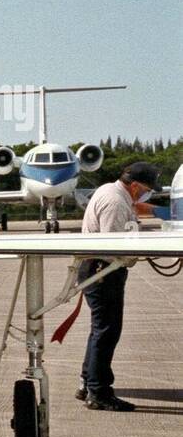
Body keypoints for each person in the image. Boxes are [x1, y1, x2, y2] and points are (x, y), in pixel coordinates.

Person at [74, 161, 161, 412]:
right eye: (146, 189)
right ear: (134, 185)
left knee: (100, 330)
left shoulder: (110, 192)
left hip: (98, 269)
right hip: (104, 270)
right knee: (107, 331)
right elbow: (113, 246)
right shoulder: (115, 202)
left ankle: (87, 382)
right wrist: (144, 251)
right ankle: (98, 392)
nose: (147, 194)